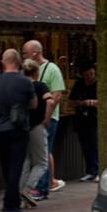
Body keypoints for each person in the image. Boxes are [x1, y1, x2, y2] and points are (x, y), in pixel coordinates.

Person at [0, 50, 37, 212]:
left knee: (6, 166)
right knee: (16, 166)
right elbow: (33, 104)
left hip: (0, 129)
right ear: (18, 62)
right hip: (18, 129)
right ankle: (10, 205)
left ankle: (12, 200)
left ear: (4, 62)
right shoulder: (24, 82)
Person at [23, 39, 66, 198]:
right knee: (41, 153)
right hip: (34, 121)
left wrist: (46, 117)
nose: (23, 56)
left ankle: (41, 188)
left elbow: (56, 95)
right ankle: (44, 184)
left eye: (25, 53)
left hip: (48, 119)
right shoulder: (27, 70)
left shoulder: (52, 69)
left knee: (43, 152)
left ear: (35, 53)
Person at [19, 60, 52, 207]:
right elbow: (50, 101)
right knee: (42, 163)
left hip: (22, 127)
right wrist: (46, 118)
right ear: (36, 72)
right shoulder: (40, 86)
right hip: (36, 127)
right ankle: (27, 189)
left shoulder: (21, 87)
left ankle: (21, 195)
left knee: (26, 161)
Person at [68, 62, 99, 181]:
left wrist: (92, 102)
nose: (90, 77)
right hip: (81, 119)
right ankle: (90, 170)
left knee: (94, 145)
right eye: (87, 75)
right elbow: (71, 101)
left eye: (91, 74)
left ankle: (97, 170)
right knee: (85, 146)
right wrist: (81, 103)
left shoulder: (98, 84)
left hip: (94, 119)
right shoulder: (79, 84)